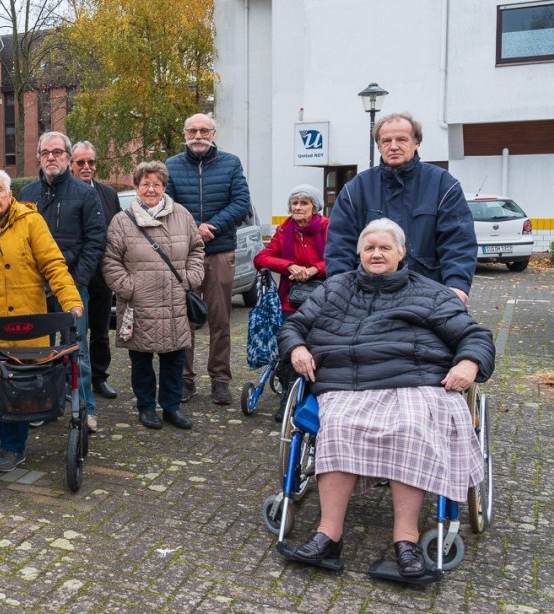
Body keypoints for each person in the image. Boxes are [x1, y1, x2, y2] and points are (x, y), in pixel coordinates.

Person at [278, 218, 494, 577]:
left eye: (385, 248)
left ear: (401, 252)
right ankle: (328, 535)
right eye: (369, 248)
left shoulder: (430, 293)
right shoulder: (335, 289)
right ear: (359, 252)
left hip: (416, 381)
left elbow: (474, 335)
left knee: (410, 427)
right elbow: (294, 326)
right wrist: (297, 348)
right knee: (338, 426)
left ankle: (405, 541)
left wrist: (470, 364)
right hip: (347, 382)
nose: (376, 254)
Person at [0, 169, 84, 473]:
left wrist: (72, 302)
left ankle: (15, 446)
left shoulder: (30, 222)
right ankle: (9, 446)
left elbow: (54, 265)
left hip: (28, 326)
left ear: (10, 195)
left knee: (23, 388)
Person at [325, 113, 476, 303]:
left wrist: (457, 286)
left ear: (416, 143)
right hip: (367, 299)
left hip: (428, 296)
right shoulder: (356, 189)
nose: (393, 146)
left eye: (402, 139)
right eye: (386, 141)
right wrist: (340, 290)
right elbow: (340, 245)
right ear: (379, 146)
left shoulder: (442, 185)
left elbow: (458, 241)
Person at [102, 161, 205, 430]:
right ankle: (146, 407)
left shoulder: (182, 215)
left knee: (174, 359)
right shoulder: (122, 222)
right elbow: (110, 261)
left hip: (175, 300)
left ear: (164, 187)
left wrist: (191, 279)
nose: (151, 189)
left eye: (156, 184)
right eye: (145, 184)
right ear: (136, 187)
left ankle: (172, 407)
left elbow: (197, 250)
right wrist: (129, 288)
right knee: (141, 359)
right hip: (139, 304)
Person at [19, 132, 106, 432]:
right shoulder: (26, 194)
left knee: (76, 348)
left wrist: (78, 279)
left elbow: (95, 241)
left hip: (71, 286)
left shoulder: (85, 194)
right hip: (34, 289)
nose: (51, 158)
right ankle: (43, 405)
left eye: (57, 152)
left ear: (68, 158)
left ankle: (84, 409)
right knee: (38, 349)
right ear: (39, 157)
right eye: (45, 152)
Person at [165, 113, 250, 406]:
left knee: (220, 319)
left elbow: (241, 203)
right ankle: (184, 379)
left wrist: (210, 227)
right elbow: (168, 204)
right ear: (185, 134)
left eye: (203, 130)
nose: (197, 135)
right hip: (183, 254)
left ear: (213, 133)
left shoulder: (231, 163)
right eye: (192, 130)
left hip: (219, 250)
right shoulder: (171, 166)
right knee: (183, 319)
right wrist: (194, 229)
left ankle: (220, 380)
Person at [254, 185, 330, 421]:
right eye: (294, 203)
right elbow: (261, 258)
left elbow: (341, 258)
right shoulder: (285, 229)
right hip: (291, 299)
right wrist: (288, 266)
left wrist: (314, 269)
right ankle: (288, 396)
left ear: (315, 207)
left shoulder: (328, 227)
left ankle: (317, 394)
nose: (297, 207)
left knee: (320, 345)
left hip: (325, 296)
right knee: (289, 346)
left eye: (303, 203)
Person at [70, 140, 122, 401]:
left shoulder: (108, 194)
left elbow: (117, 231)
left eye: (91, 162)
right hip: (73, 274)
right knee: (71, 331)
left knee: (100, 329)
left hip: (102, 273)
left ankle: (99, 377)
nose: (86, 167)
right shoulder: (66, 193)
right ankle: (69, 379)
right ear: (71, 165)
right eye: (80, 162)